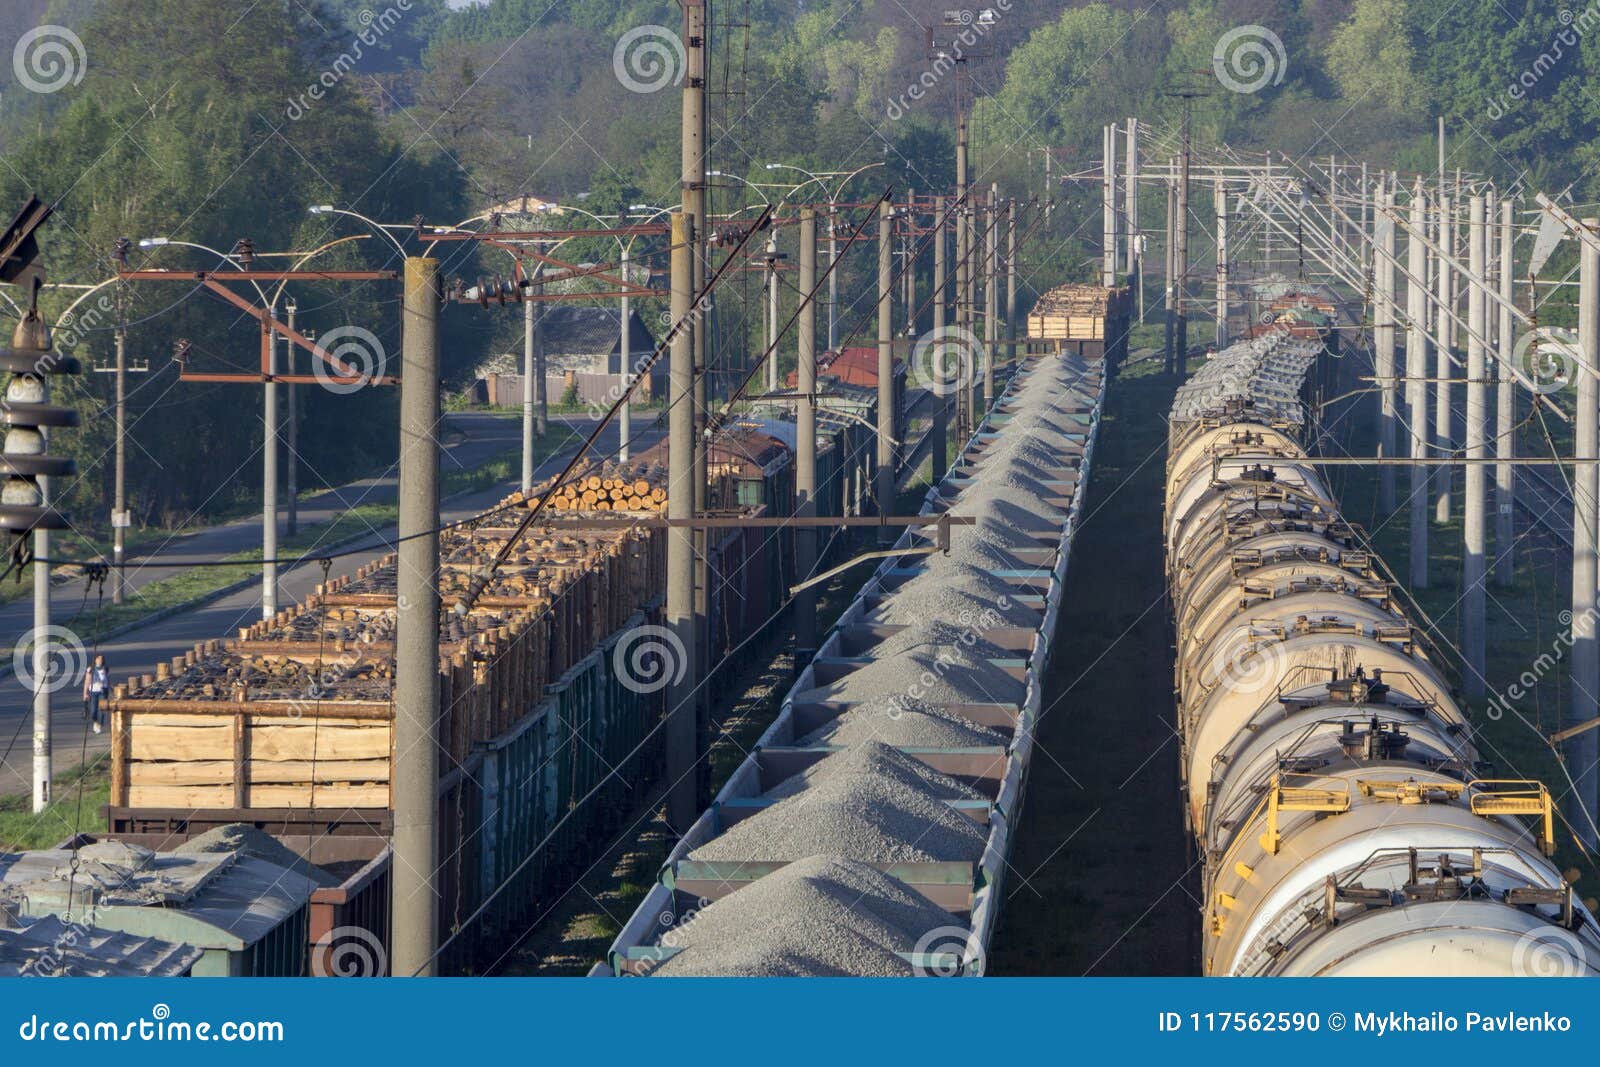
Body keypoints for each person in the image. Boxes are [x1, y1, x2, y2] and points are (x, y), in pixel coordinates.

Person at [82, 654, 109, 735]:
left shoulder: (105, 669)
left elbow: (107, 680)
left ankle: (99, 724)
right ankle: (95, 722)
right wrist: (85, 694)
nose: (100, 661)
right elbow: (87, 682)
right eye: (99, 659)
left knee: (102, 709)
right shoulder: (90, 670)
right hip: (93, 691)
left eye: (101, 659)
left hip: (103, 691)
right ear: (95, 660)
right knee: (93, 710)